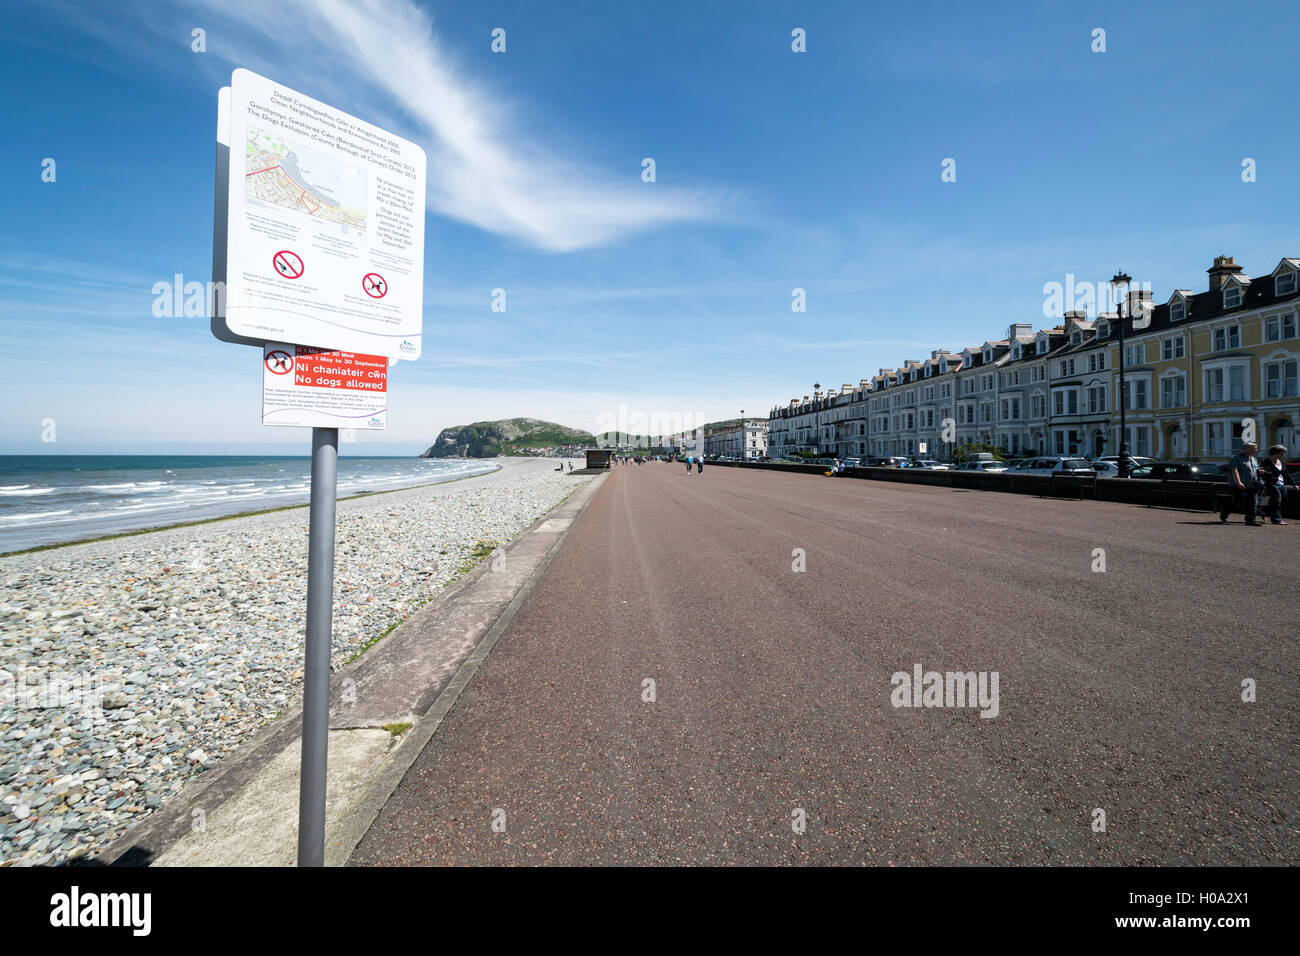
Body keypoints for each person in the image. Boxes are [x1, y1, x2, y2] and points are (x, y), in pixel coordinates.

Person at [1220, 441, 1261, 525]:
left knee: (1252, 502)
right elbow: (1234, 470)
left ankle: (1250, 520)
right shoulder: (1236, 458)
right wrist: (1238, 482)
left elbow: (1255, 469)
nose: (1256, 451)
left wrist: (1260, 471)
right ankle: (1225, 511)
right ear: (1246, 449)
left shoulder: (1253, 459)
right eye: (1254, 449)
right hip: (1238, 484)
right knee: (1238, 502)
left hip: (1252, 484)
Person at [1256, 444, 1296, 525]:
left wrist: (1294, 484)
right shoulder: (1266, 462)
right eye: (1281, 453)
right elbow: (1259, 472)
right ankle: (1276, 519)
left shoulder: (1281, 462)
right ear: (1274, 453)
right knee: (1277, 500)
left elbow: (1286, 474)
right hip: (1271, 484)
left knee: (1284, 500)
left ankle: (1262, 509)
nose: (1283, 455)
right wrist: (1263, 472)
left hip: (1282, 484)